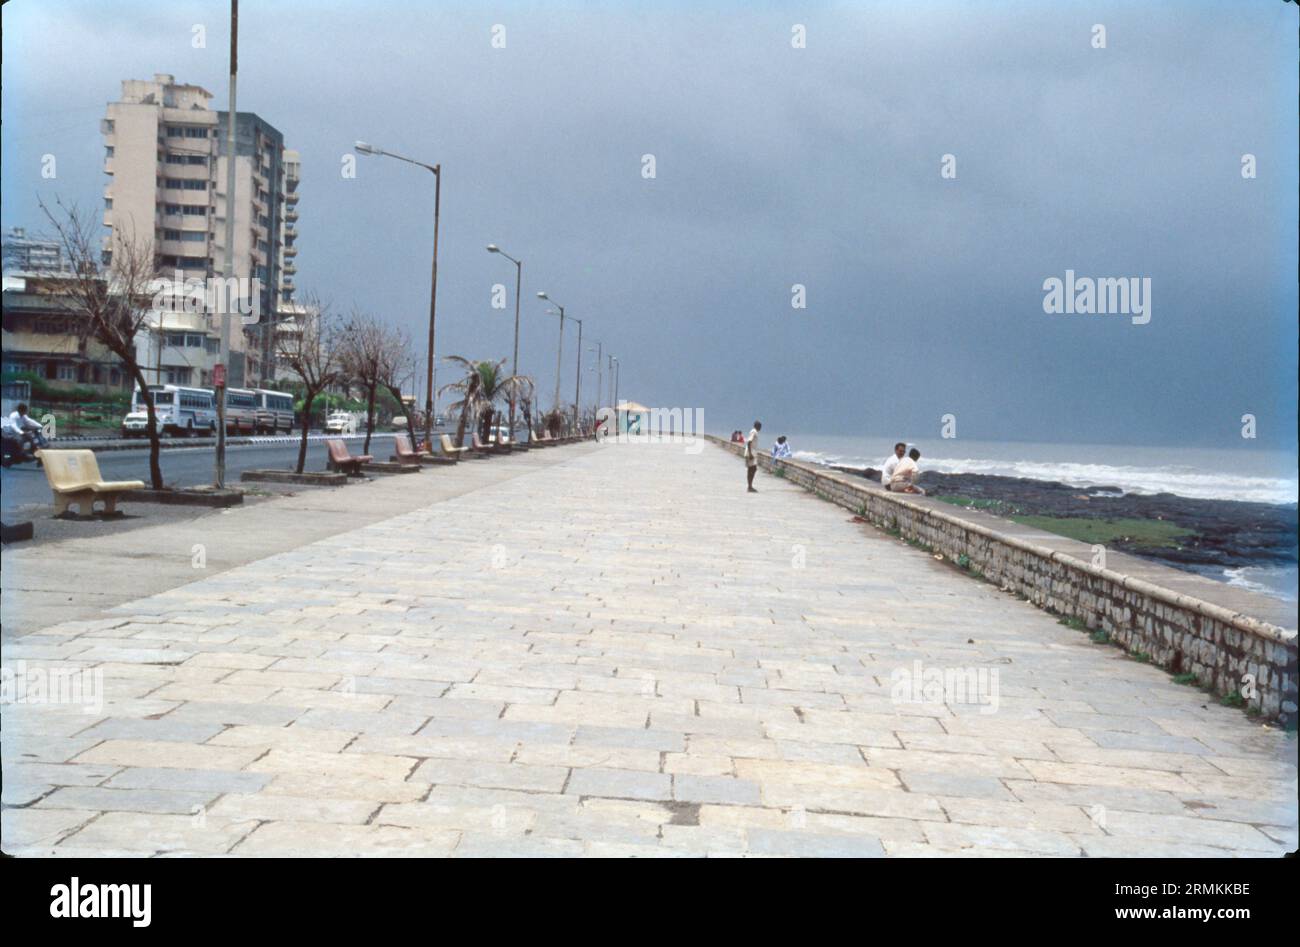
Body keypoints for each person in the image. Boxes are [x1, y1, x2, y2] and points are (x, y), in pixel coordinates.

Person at [744, 420, 762, 492]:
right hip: (750, 452)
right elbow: (749, 442)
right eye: (760, 426)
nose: (760, 428)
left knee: (752, 469)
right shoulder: (754, 432)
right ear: (757, 426)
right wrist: (750, 453)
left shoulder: (754, 432)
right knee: (752, 469)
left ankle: (750, 486)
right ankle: (749, 486)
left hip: (752, 452)